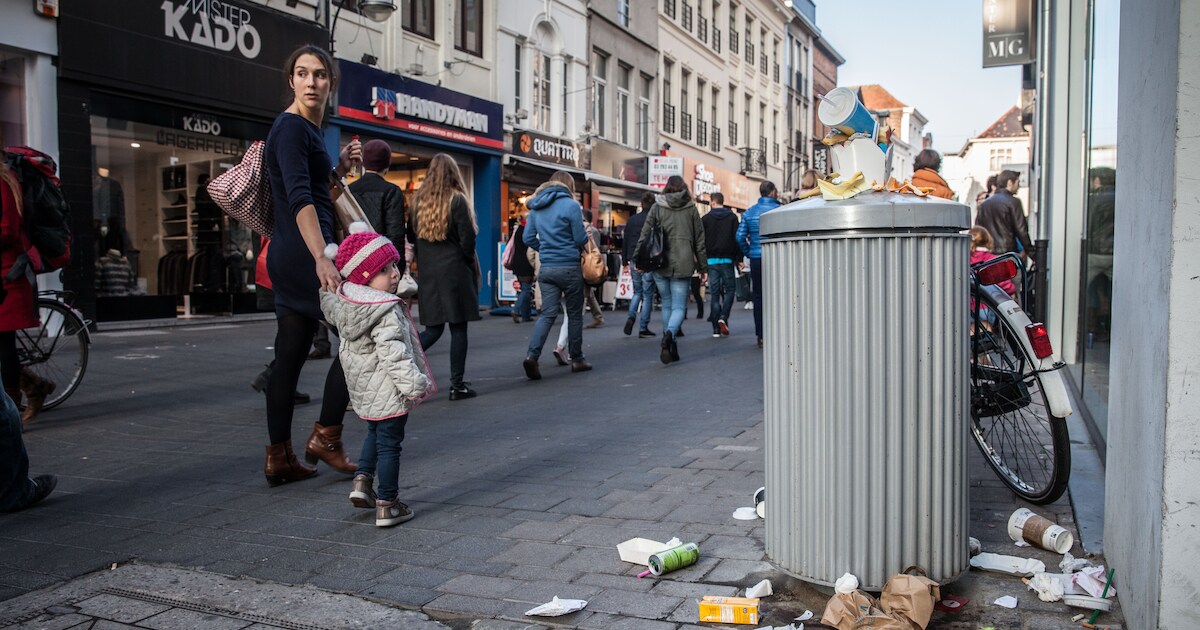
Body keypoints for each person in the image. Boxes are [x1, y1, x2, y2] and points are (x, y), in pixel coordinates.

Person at [261, 44, 363, 486]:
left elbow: (309, 186)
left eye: (320, 75)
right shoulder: (291, 128)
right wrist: (323, 258)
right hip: (306, 254)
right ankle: (327, 437)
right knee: (360, 335)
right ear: (291, 80)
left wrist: (337, 166)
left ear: (330, 82)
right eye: (302, 73)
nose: (311, 82)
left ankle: (279, 458)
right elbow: (301, 199)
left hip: (290, 252)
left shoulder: (304, 130)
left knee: (290, 355)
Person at [320, 225, 434, 527]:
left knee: (374, 432)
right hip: (389, 390)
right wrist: (414, 385)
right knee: (390, 444)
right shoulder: (383, 309)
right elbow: (393, 355)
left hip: (364, 390)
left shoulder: (347, 303)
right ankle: (388, 503)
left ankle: (362, 483)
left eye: (394, 265)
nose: (395, 274)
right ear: (364, 277)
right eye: (384, 269)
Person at [407, 153, 480, 401]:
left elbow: (411, 237)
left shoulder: (417, 202)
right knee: (459, 329)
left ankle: (400, 365)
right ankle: (456, 385)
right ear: (453, 173)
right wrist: (469, 264)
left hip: (429, 273)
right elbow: (468, 240)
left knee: (433, 329)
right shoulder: (457, 201)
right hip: (455, 272)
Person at [0, 156, 55, 426]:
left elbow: (8, 230)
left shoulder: (3, 182)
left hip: (7, 274)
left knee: (4, 344)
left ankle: (10, 419)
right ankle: (33, 387)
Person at [522, 171, 589, 379]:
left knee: (547, 315)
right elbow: (580, 238)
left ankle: (532, 356)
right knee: (575, 314)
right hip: (569, 266)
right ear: (569, 186)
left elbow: (527, 237)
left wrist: (545, 248)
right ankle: (577, 359)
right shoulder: (571, 206)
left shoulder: (536, 208)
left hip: (547, 269)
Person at [634, 175, 707, 364]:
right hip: (683, 261)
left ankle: (669, 341)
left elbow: (645, 233)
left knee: (666, 303)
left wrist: (637, 258)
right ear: (684, 189)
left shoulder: (657, 206)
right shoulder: (691, 209)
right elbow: (699, 240)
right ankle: (669, 336)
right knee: (679, 307)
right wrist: (703, 266)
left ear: (667, 188)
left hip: (660, 261)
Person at [737, 180, 781, 348]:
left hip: (756, 257)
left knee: (758, 296)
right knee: (779, 295)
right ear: (772, 192)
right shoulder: (780, 210)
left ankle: (761, 335)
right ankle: (777, 331)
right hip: (777, 257)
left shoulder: (749, 212)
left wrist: (748, 252)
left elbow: (740, 237)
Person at [702, 191, 740, 337]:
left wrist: (701, 263)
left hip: (711, 261)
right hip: (727, 260)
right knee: (730, 290)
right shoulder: (732, 218)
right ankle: (723, 317)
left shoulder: (705, 219)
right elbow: (737, 239)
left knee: (715, 294)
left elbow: (701, 242)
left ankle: (715, 329)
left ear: (712, 202)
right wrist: (739, 259)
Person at [975, 169, 1031, 258]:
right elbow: (1021, 230)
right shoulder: (1013, 202)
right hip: (1007, 252)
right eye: (1017, 182)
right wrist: (1031, 252)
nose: (1019, 186)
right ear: (1010, 183)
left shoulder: (984, 205)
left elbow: (978, 230)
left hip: (988, 254)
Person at [622, 192, 656, 338]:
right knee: (648, 295)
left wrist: (624, 260)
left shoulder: (632, 220)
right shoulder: (654, 220)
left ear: (641, 204)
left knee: (637, 292)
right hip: (648, 260)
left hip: (633, 259)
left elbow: (626, 240)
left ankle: (631, 316)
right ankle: (643, 327)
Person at [968, 227, 1015, 330]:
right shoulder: (992, 260)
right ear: (988, 241)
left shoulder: (964, 259)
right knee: (988, 334)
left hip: (968, 307)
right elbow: (1006, 286)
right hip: (987, 306)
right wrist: (1012, 289)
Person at [508, 215, 536, 323]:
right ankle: (516, 309)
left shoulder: (518, 230)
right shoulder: (527, 231)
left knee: (524, 290)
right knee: (526, 290)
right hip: (526, 264)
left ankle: (526, 315)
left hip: (517, 263)